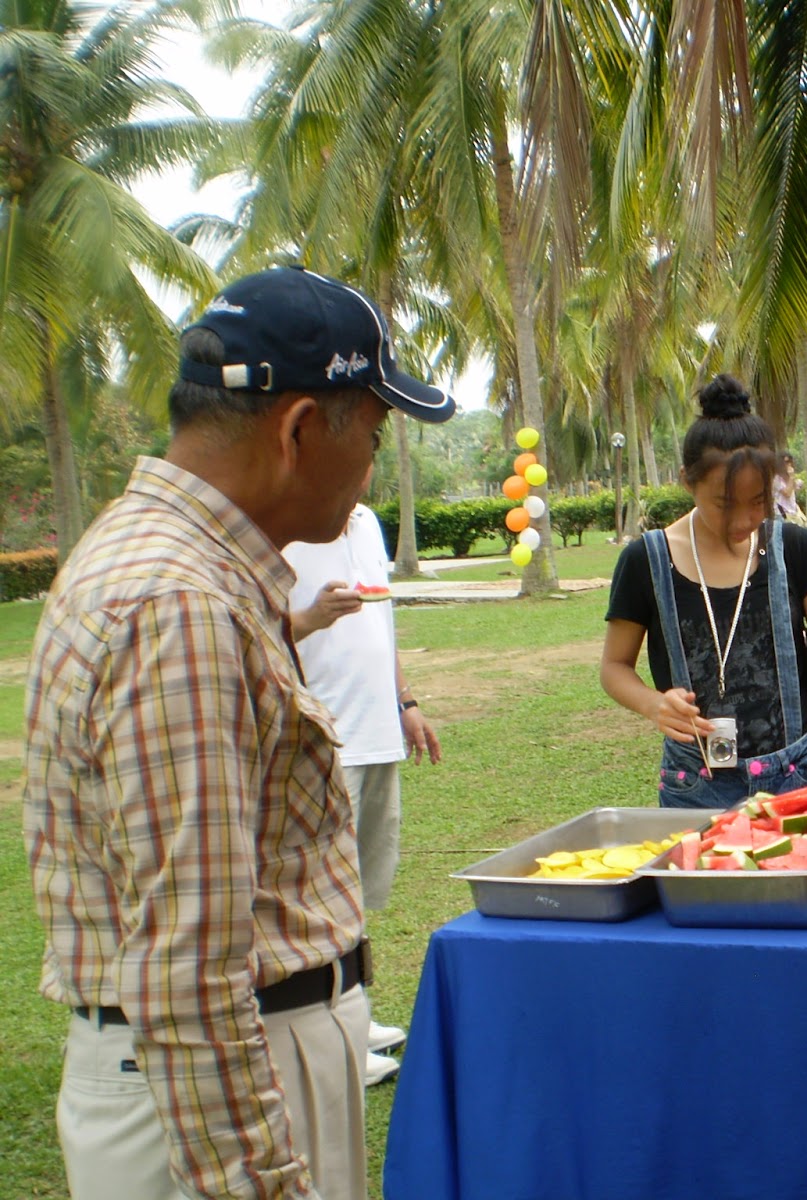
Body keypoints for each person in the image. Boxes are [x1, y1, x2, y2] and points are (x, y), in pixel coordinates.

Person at [23, 265, 456, 1200]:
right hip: (229, 1071)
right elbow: (188, 970)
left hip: (237, 1055)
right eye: (373, 434)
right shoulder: (180, 605)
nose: (371, 465)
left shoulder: (169, 565)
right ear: (299, 430)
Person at [601, 374, 807, 807]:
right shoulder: (646, 560)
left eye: (758, 501)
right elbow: (614, 667)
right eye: (724, 504)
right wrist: (652, 704)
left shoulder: (797, 550)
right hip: (695, 786)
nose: (743, 520)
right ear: (687, 480)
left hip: (799, 773)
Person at [284, 498, 442, 1087]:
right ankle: (338, 1030)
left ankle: (356, 1011)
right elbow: (252, 629)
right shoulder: (288, 524)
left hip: (376, 731)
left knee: (357, 889)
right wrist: (311, 617)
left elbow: (383, 625)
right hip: (324, 735)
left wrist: (405, 701)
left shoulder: (367, 522)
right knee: (321, 890)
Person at [773, 451, 802, 522]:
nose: (789, 464)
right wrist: (791, 477)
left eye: (790, 462)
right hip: (781, 514)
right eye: (786, 462)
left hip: (793, 513)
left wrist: (792, 478)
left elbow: (798, 487)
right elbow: (787, 493)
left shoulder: (791, 477)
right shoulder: (776, 479)